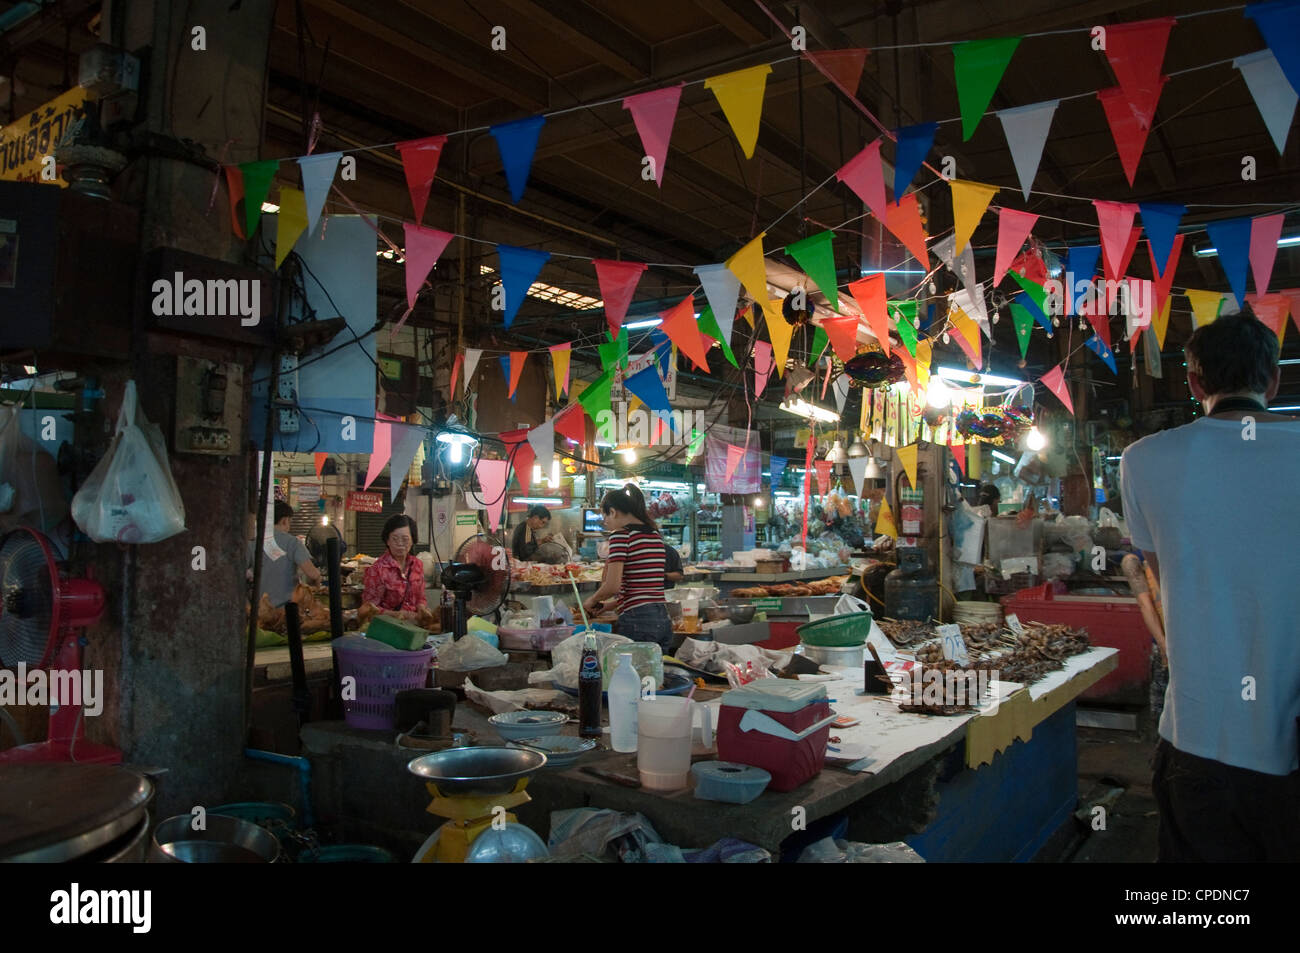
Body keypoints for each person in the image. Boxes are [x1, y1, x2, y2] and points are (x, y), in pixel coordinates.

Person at [1120, 312, 1300, 862]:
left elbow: (1157, 572)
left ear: (1194, 383)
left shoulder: (1144, 460)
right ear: (1272, 381)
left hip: (1198, 734)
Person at [582, 484, 672, 648]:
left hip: (637, 620)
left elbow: (612, 586)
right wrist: (607, 606)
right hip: (662, 617)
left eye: (605, 516)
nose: (606, 522)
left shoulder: (621, 535)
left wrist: (592, 599)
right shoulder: (654, 535)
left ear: (613, 512)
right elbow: (643, 590)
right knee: (654, 672)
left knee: (631, 670)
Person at [248, 501, 322, 607]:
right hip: (287, 610)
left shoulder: (253, 543)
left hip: (261, 611)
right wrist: (318, 581)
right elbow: (312, 574)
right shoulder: (292, 543)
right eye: (290, 521)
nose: (289, 526)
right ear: (284, 520)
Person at [362, 514, 428, 617]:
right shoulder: (377, 569)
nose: (400, 544)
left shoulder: (417, 565)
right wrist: (397, 614)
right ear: (387, 541)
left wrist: (422, 608)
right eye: (395, 539)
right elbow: (368, 608)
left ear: (412, 541)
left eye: (405, 539)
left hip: (415, 626)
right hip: (389, 628)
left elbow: (420, 597)